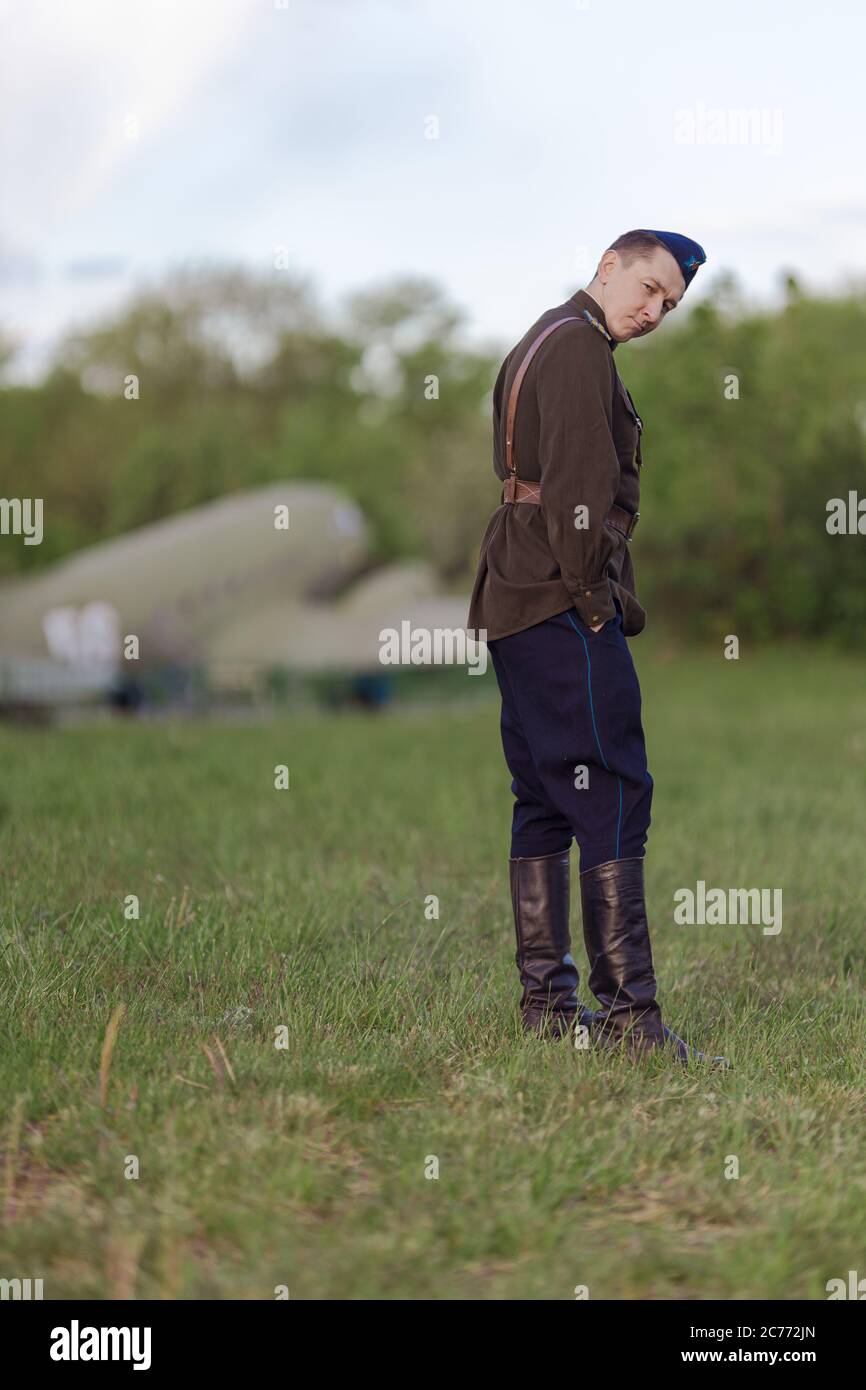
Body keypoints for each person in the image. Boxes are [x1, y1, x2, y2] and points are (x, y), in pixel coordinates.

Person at [466, 228, 728, 1066]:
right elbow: (579, 491)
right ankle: (631, 1026)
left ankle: (548, 1010)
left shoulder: (541, 335)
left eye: (669, 306)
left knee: (545, 792)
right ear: (608, 265)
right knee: (615, 787)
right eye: (648, 288)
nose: (654, 312)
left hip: (515, 592)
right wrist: (592, 603)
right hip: (557, 596)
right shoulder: (580, 348)